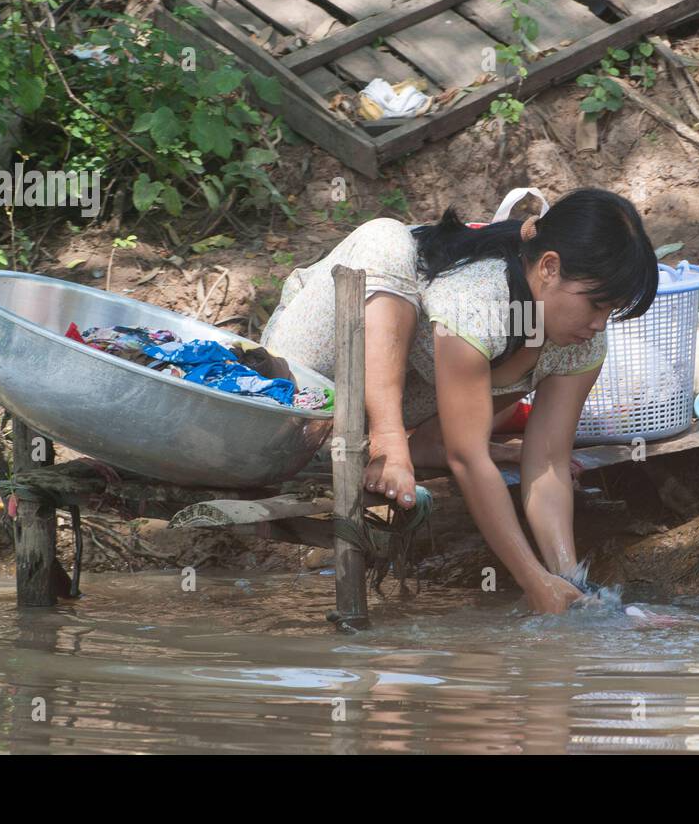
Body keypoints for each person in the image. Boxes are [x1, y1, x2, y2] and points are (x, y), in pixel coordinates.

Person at [260, 188, 658, 613]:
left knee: (533, 351)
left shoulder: (576, 340)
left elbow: (547, 462)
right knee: (385, 237)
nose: (599, 325)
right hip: (301, 386)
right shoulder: (478, 300)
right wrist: (530, 578)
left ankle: (422, 443)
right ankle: (389, 444)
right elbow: (468, 459)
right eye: (595, 305)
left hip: (353, 427)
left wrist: (570, 585)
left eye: (610, 311)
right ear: (549, 266)